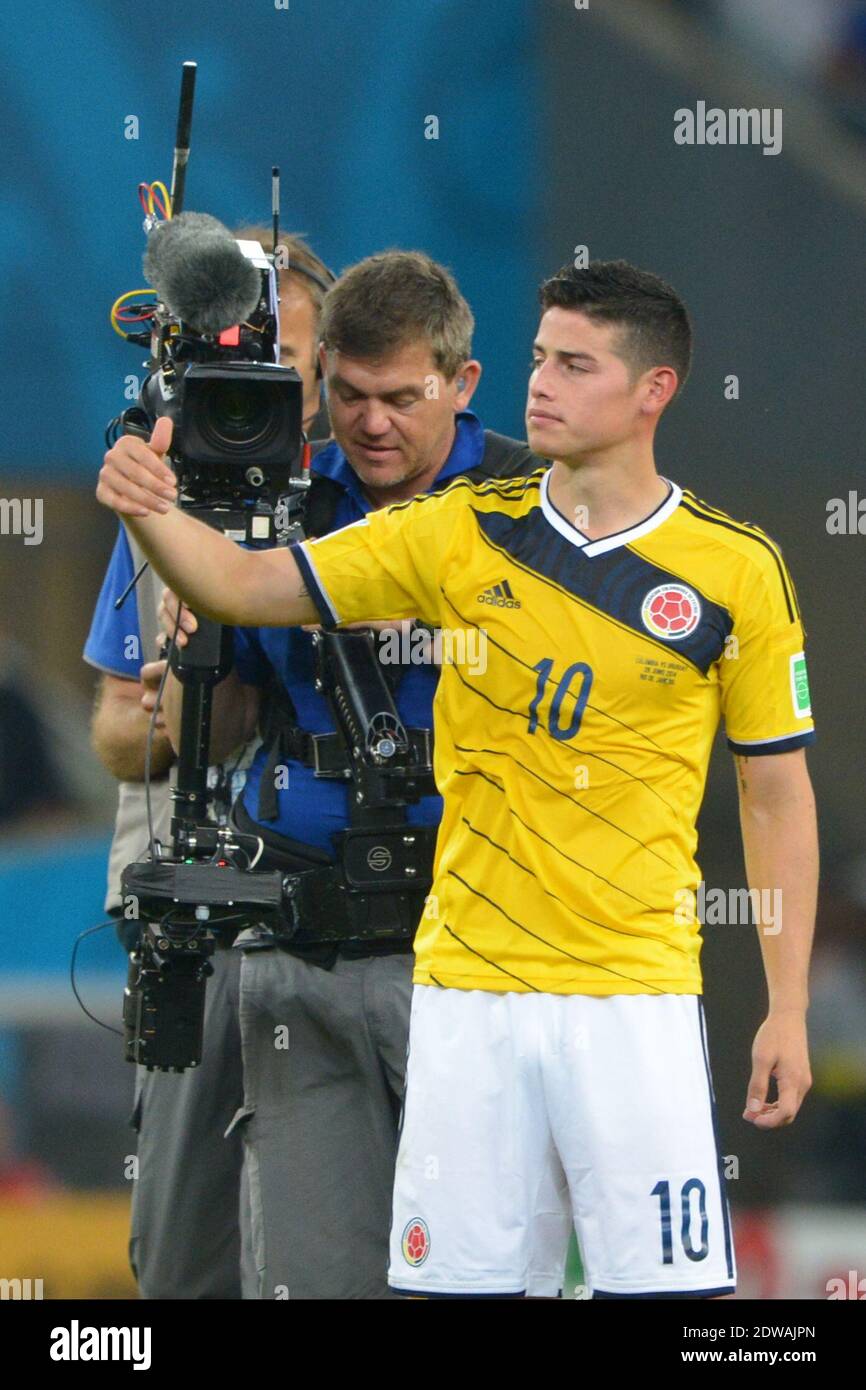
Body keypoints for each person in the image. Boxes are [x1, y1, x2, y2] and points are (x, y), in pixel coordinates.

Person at [97, 258, 818, 1299]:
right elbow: (243, 584)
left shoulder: (737, 569)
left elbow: (774, 794)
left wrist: (786, 1007)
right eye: (539, 358)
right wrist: (148, 507)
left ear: (652, 390)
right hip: (466, 992)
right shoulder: (458, 527)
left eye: (574, 366)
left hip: (636, 995)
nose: (542, 384)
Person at [101, 249, 541, 1300]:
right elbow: (188, 734)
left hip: (479, 946)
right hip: (303, 934)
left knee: (483, 1272)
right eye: (347, 395)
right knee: (309, 1274)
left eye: (401, 398)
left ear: (462, 382)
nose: (371, 423)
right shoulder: (270, 497)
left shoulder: (536, 505)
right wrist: (190, 645)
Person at [84, 229, 333, 1299]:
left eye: (289, 359)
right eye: (240, 360)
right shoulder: (155, 499)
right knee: (187, 1253)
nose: (262, 386)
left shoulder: (367, 508)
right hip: (189, 915)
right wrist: (187, 689)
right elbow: (116, 737)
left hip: (334, 931)